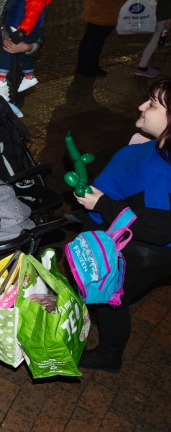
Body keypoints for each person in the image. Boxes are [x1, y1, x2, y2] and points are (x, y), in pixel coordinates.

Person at [74, 79, 171, 373]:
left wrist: (102, 205)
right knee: (101, 293)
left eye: (153, 104)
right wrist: (152, 144)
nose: (142, 106)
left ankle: (109, 356)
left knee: (112, 299)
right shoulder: (161, 149)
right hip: (122, 239)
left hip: (142, 253)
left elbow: (159, 228)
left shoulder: (163, 171)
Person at [136, 0, 171, 77]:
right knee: (156, 38)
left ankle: (142, 67)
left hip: (165, 6)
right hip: (167, 9)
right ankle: (141, 67)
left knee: (156, 38)